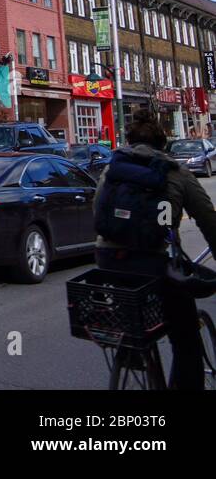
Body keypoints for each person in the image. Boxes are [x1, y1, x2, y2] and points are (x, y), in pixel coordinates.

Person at [94, 107, 216, 390]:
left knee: (133, 316)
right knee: (185, 337)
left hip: (109, 261)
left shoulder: (112, 170)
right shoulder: (177, 172)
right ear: (164, 145)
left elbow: (97, 215)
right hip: (154, 264)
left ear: (130, 141)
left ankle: (132, 349)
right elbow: (209, 222)